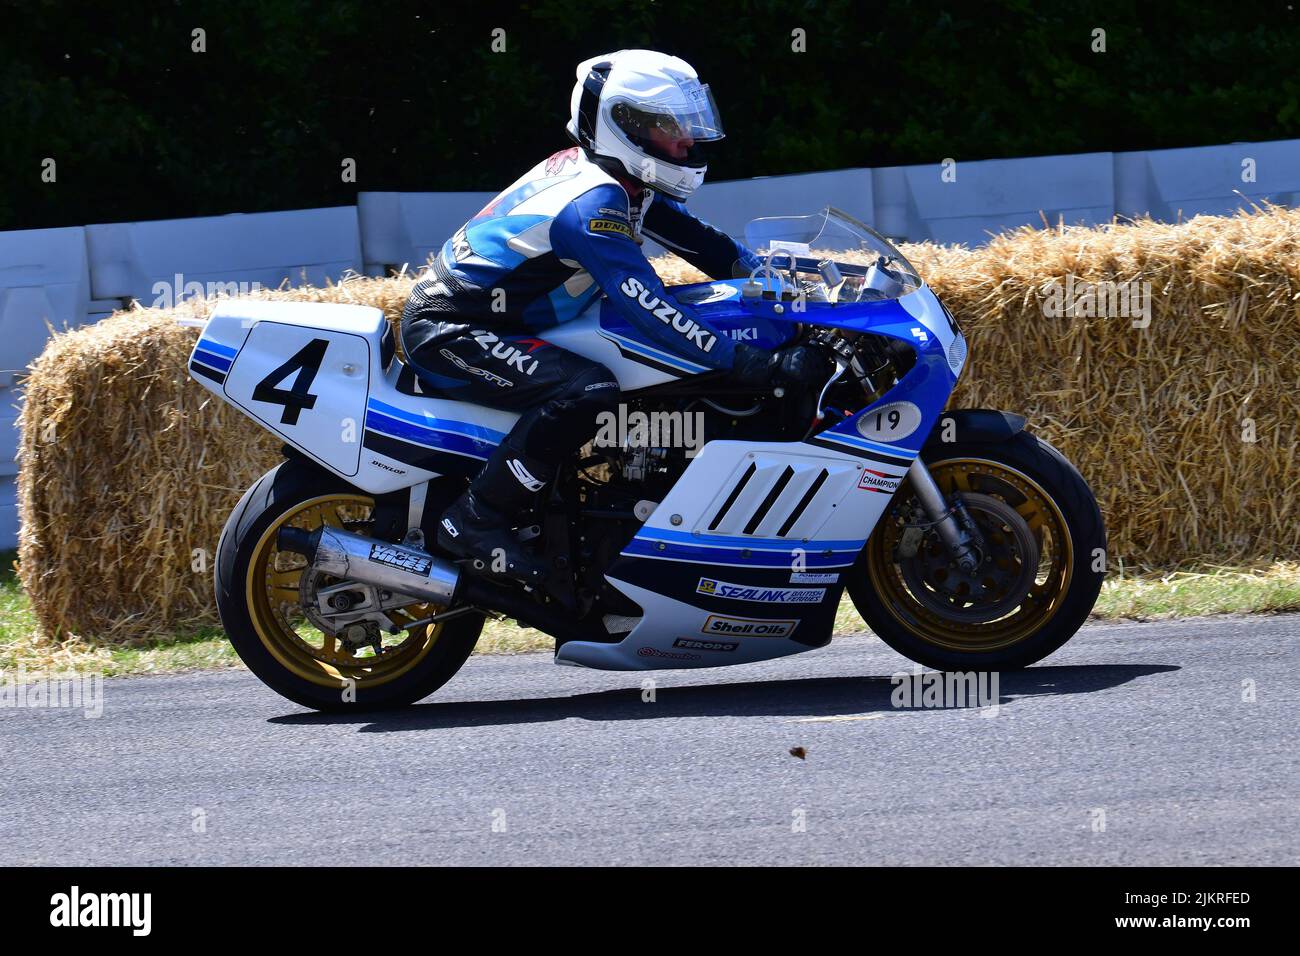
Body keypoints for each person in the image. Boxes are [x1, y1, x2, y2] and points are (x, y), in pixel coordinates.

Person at [400, 49, 824, 583]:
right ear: (628, 128)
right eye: (673, 129)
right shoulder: (593, 203)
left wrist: (791, 287)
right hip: (455, 328)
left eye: (688, 127)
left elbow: (707, 246)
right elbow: (648, 306)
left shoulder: (624, 182)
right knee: (586, 390)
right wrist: (749, 363)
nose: (688, 143)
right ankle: (474, 519)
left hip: (506, 320)